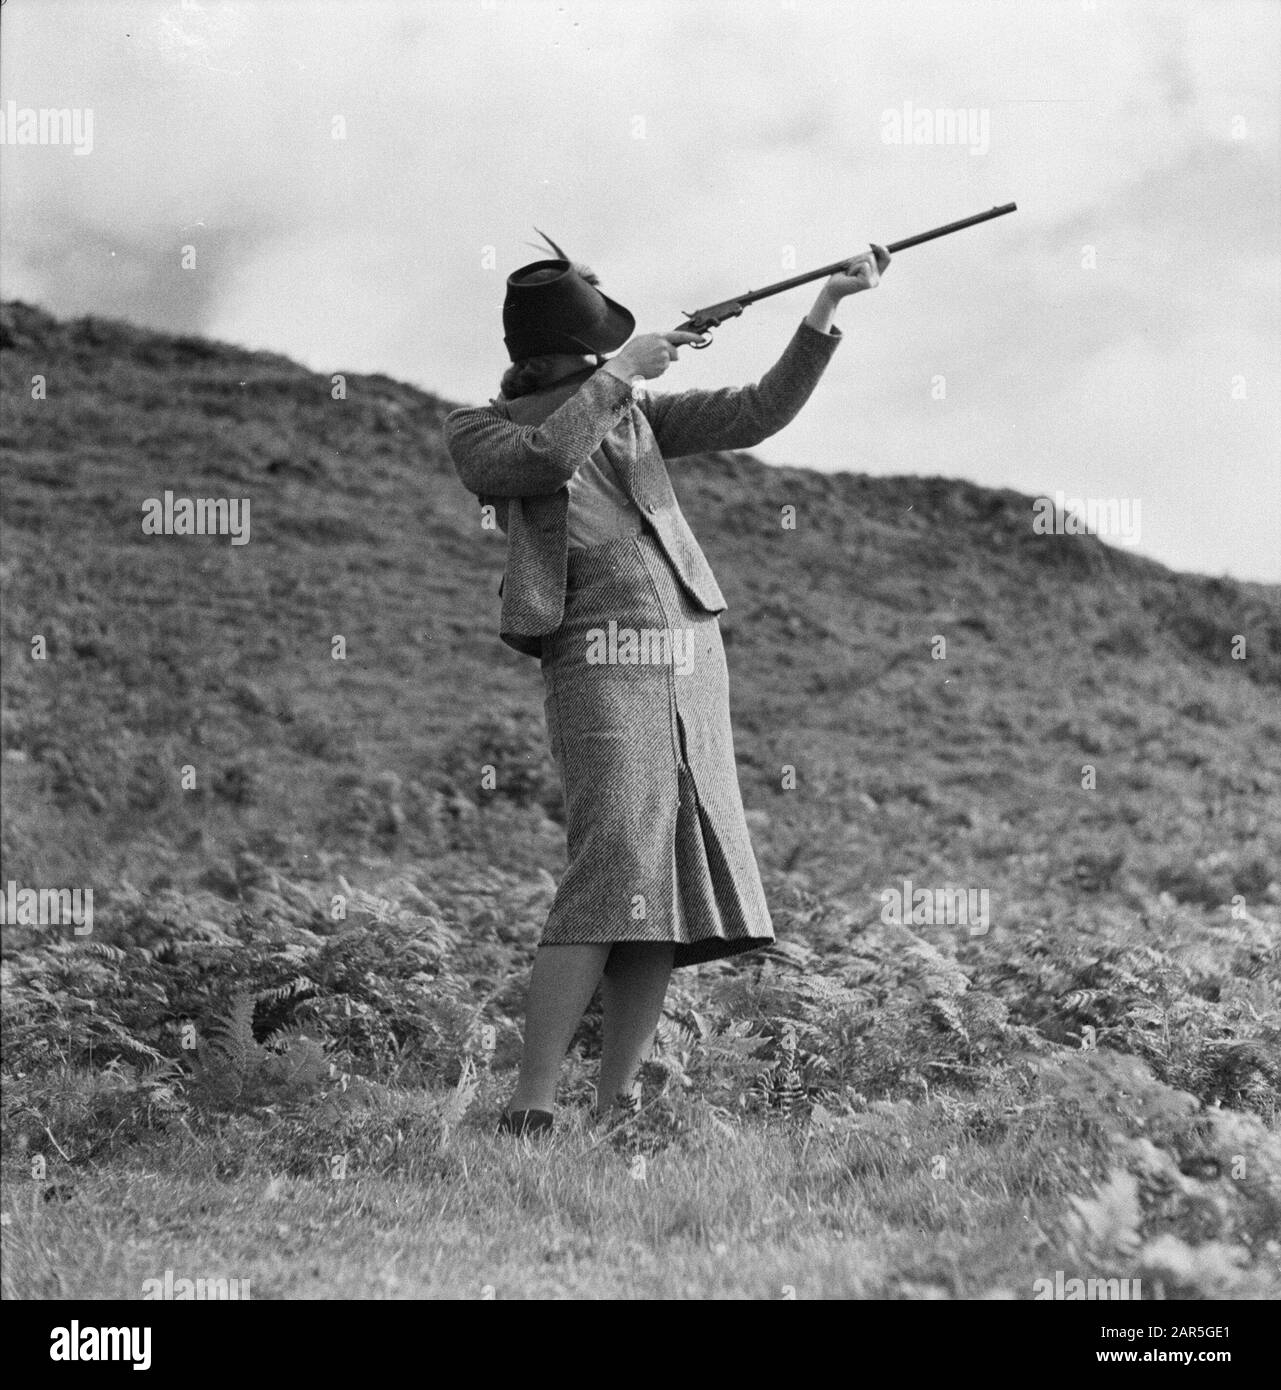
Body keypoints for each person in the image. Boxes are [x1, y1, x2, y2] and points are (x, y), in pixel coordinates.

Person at [445, 233, 890, 1136]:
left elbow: (760, 412)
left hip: (688, 645)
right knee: (610, 854)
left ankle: (614, 1110)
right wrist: (618, 380)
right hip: (595, 647)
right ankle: (529, 1105)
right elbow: (539, 464)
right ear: (574, 345)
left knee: (663, 875)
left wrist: (826, 307)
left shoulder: (634, 411)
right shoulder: (482, 429)